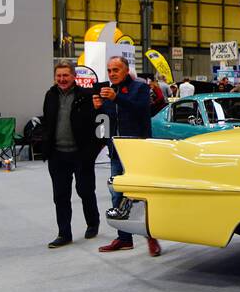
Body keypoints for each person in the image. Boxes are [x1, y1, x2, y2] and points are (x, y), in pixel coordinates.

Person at [95, 56, 161, 257]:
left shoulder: (139, 88)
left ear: (126, 70)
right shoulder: (107, 92)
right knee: (117, 194)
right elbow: (108, 121)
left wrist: (117, 98)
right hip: (116, 151)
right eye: (109, 70)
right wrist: (98, 108)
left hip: (138, 151)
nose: (112, 73)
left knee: (142, 195)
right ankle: (124, 239)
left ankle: (152, 236)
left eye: (116, 69)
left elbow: (142, 110)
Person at [41, 62, 101, 248]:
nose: (62, 79)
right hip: (57, 155)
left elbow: (96, 125)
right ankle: (64, 233)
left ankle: (92, 222)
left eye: (65, 75)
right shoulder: (50, 95)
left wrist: (91, 152)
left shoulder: (86, 96)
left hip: (81, 155)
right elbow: (47, 122)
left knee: (85, 191)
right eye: (58, 75)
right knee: (60, 196)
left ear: (74, 76)